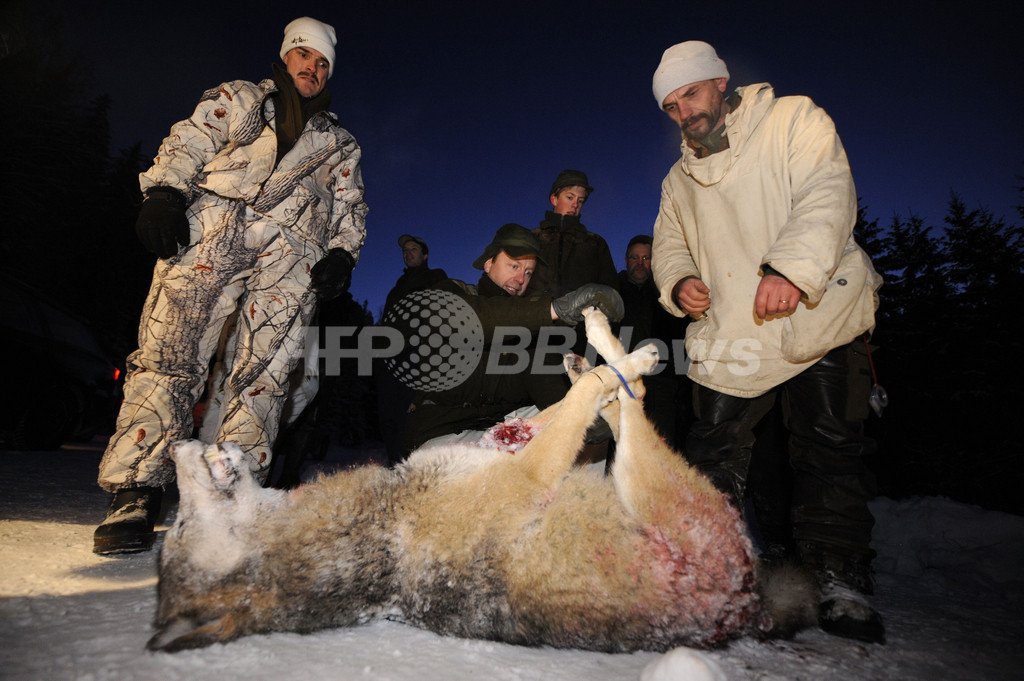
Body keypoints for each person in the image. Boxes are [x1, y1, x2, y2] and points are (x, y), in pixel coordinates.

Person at [93, 17, 368, 555]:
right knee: (170, 353)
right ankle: (137, 489)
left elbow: (350, 206)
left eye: (322, 62)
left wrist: (342, 253)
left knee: (264, 373)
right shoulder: (240, 98)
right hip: (213, 230)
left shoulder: (339, 142)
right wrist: (166, 192)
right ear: (287, 56)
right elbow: (191, 140)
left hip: (289, 257)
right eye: (305, 56)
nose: (312, 68)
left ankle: (230, 497)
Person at [649, 41, 885, 644]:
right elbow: (670, 243)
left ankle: (840, 580)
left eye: (691, 94)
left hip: (816, 309)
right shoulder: (678, 179)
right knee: (713, 452)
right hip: (733, 325)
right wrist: (679, 282)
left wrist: (790, 268)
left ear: (720, 82)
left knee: (827, 447)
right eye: (672, 106)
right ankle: (704, 570)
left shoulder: (793, 120)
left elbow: (827, 193)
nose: (684, 112)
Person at [401, 223, 622, 454]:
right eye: (514, 266)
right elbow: (473, 318)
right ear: (488, 264)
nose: (520, 279)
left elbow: (543, 381)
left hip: (501, 428)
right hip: (442, 433)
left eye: (528, 272)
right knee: (479, 473)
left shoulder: (531, 326)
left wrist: (579, 417)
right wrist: (557, 308)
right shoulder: (450, 293)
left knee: (585, 424)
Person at [378, 234, 448, 464]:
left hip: (420, 356)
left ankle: (417, 467)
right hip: (391, 360)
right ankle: (395, 466)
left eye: (414, 249)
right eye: (405, 250)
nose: (408, 253)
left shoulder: (435, 277)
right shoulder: (396, 288)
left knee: (415, 413)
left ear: (425, 254)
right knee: (390, 415)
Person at [616, 235, 691, 450]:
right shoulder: (613, 291)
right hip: (622, 383)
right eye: (634, 258)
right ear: (626, 260)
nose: (640, 263)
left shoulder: (668, 294)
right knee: (622, 445)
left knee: (662, 446)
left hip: (662, 385)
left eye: (646, 258)